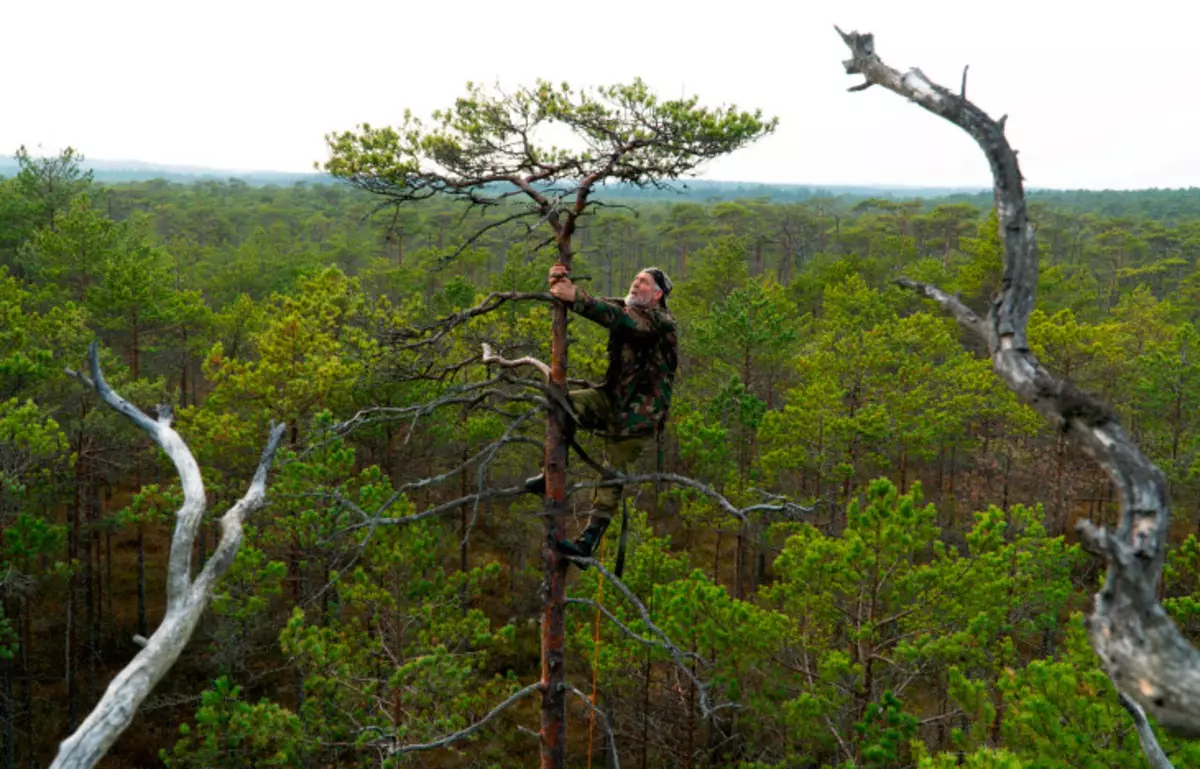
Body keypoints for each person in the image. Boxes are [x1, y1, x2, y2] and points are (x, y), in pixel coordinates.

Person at [526, 265, 679, 562]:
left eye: (644, 282)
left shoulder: (661, 322)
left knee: (612, 474)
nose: (635, 284)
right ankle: (551, 473)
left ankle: (587, 543)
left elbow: (620, 319)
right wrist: (563, 285)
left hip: (640, 417)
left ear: (658, 294)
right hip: (612, 400)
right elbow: (609, 306)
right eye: (635, 278)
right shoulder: (631, 308)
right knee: (562, 403)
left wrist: (575, 297)